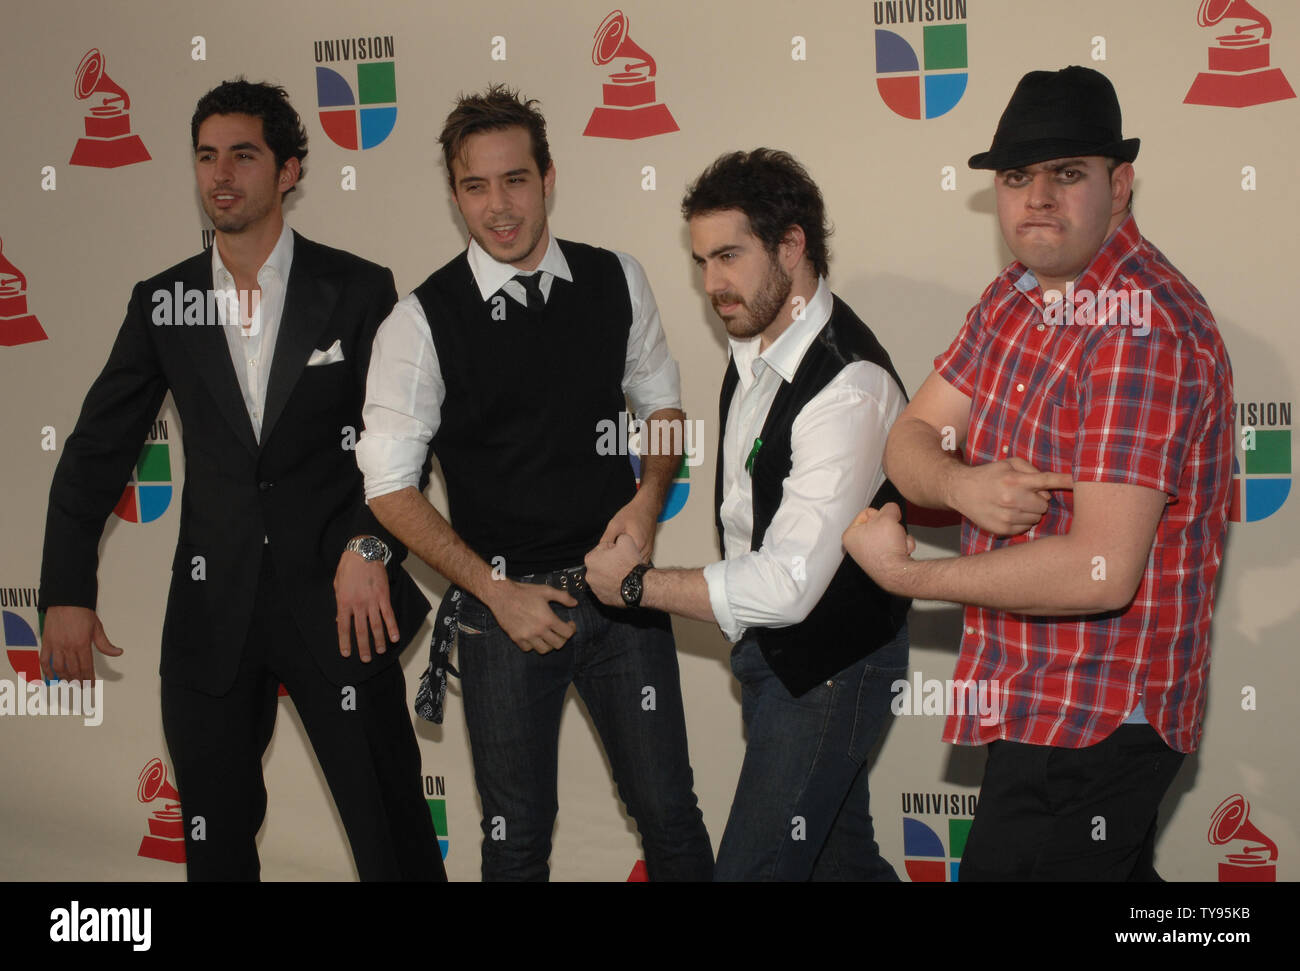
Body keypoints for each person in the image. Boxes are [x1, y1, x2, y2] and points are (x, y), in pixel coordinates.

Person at [38, 79, 444, 882]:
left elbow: (405, 441)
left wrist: (372, 544)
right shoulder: (164, 302)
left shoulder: (357, 288)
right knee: (214, 852)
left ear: (289, 170)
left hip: (340, 604)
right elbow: (95, 451)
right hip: (210, 613)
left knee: (393, 840)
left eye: (244, 156)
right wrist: (65, 590)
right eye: (206, 157)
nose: (221, 175)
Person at [842, 66, 1234, 880]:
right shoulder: (1012, 298)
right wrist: (959, 487)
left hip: (1099, 714)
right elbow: (910, 436)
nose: (1038, 198)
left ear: (1119, 186)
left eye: (1068, 174)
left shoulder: (1141, 327)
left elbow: (1100, 573)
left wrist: (909, 573)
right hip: (1031, 694)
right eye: (1018, 177)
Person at [355, 84, 712, 881]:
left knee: (670, 813)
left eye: (514, 179)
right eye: (476, 186)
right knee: (515, 840)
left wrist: (650, 501)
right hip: (502, 610)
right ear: (454, 195)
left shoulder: (616, 278)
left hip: (624, 593)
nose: (499, 206)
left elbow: (662, 405)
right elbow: (388, 489)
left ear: (548, 176)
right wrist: (491, 590)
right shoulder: (418, 324)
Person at [585, 148, 911, 881]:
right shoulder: (757, 346)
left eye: (729, 256)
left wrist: (637, 585)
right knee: (840, 861)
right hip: (778, 660)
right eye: (701, 261)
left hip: (830, 669)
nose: (711, 285)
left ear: (791, 246)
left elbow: (791, 582)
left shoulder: (846, 386)